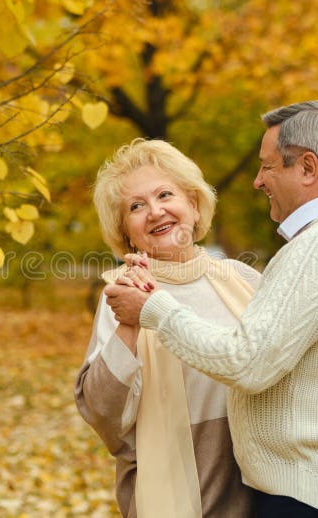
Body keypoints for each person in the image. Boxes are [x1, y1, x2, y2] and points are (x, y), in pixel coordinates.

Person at [106, 101, 318, 517]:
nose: (256, 181)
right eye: (136, 205)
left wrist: (154, 310)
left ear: (307, 168)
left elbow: (245, 362)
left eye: (267, 167)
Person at [74, 139, 261, 517]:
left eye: (165, 194)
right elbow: (103, 414)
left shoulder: (246, 280)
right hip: (174, 501)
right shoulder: (121, 294)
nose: (156, 212)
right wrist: (129, 327)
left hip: (259, 495)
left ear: (192, 204)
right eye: (136, 206)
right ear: (125, 231)